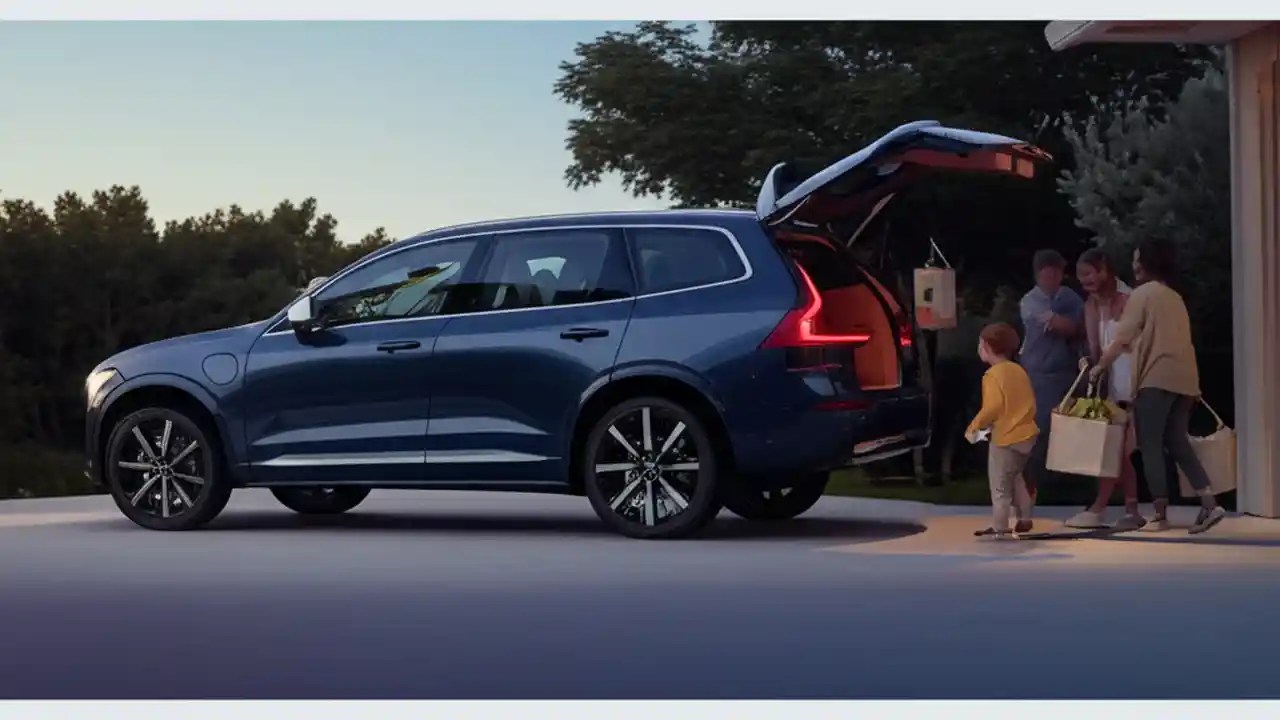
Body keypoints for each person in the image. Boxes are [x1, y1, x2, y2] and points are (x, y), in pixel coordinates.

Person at [1090, 238, 1226, 534]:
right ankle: (1209, 503)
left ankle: (1160, 515)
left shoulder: (1142, 295)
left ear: (1147, 262)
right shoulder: (1174, 297)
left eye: (1137, 258)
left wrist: (1100, 365)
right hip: (1185, 381)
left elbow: (1122, 336)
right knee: (1177, 442)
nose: (1134, 264)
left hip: (1155, 380)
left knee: (1149, 445)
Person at [1065, 248, 1143, 529]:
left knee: (1117, 451)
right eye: (1080, 276)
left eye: (1088, 273)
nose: (1084, 280)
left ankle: (1104, 508)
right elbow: (1096, 348)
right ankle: (1127, 509)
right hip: (1113, 389)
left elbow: (1137, 342)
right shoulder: (1091, 306)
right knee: (1113, 450)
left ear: (1105, 269)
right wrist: (1088, 361)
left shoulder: (1131, 300)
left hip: (1138, 385)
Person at [1018, 250, 1085, 501]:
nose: (1055, 275)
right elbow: (1063, 326)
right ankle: (1033, 487)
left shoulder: (1070, 297)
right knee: (1040, 429)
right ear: (1039, 273)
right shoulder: (1030, 301)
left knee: (1068, 431)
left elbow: (1082, 327)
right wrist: (1071, 325)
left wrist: (1073, 326)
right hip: (1039, 374)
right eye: (1050, 270)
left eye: (1058, 270)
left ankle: (1065, 485)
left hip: (1067, 373)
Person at [967, 322, 1039, 538]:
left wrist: (974, 427)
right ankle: (1025, 518)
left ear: (988, 347)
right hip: (1027, 434)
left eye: (980, 345)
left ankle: (1000, 526)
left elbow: (993, 407)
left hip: (1006, 437)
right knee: (1016, 477)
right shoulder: (1019, 370)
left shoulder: (992, 375)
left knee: (999, 485)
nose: (978, 349)